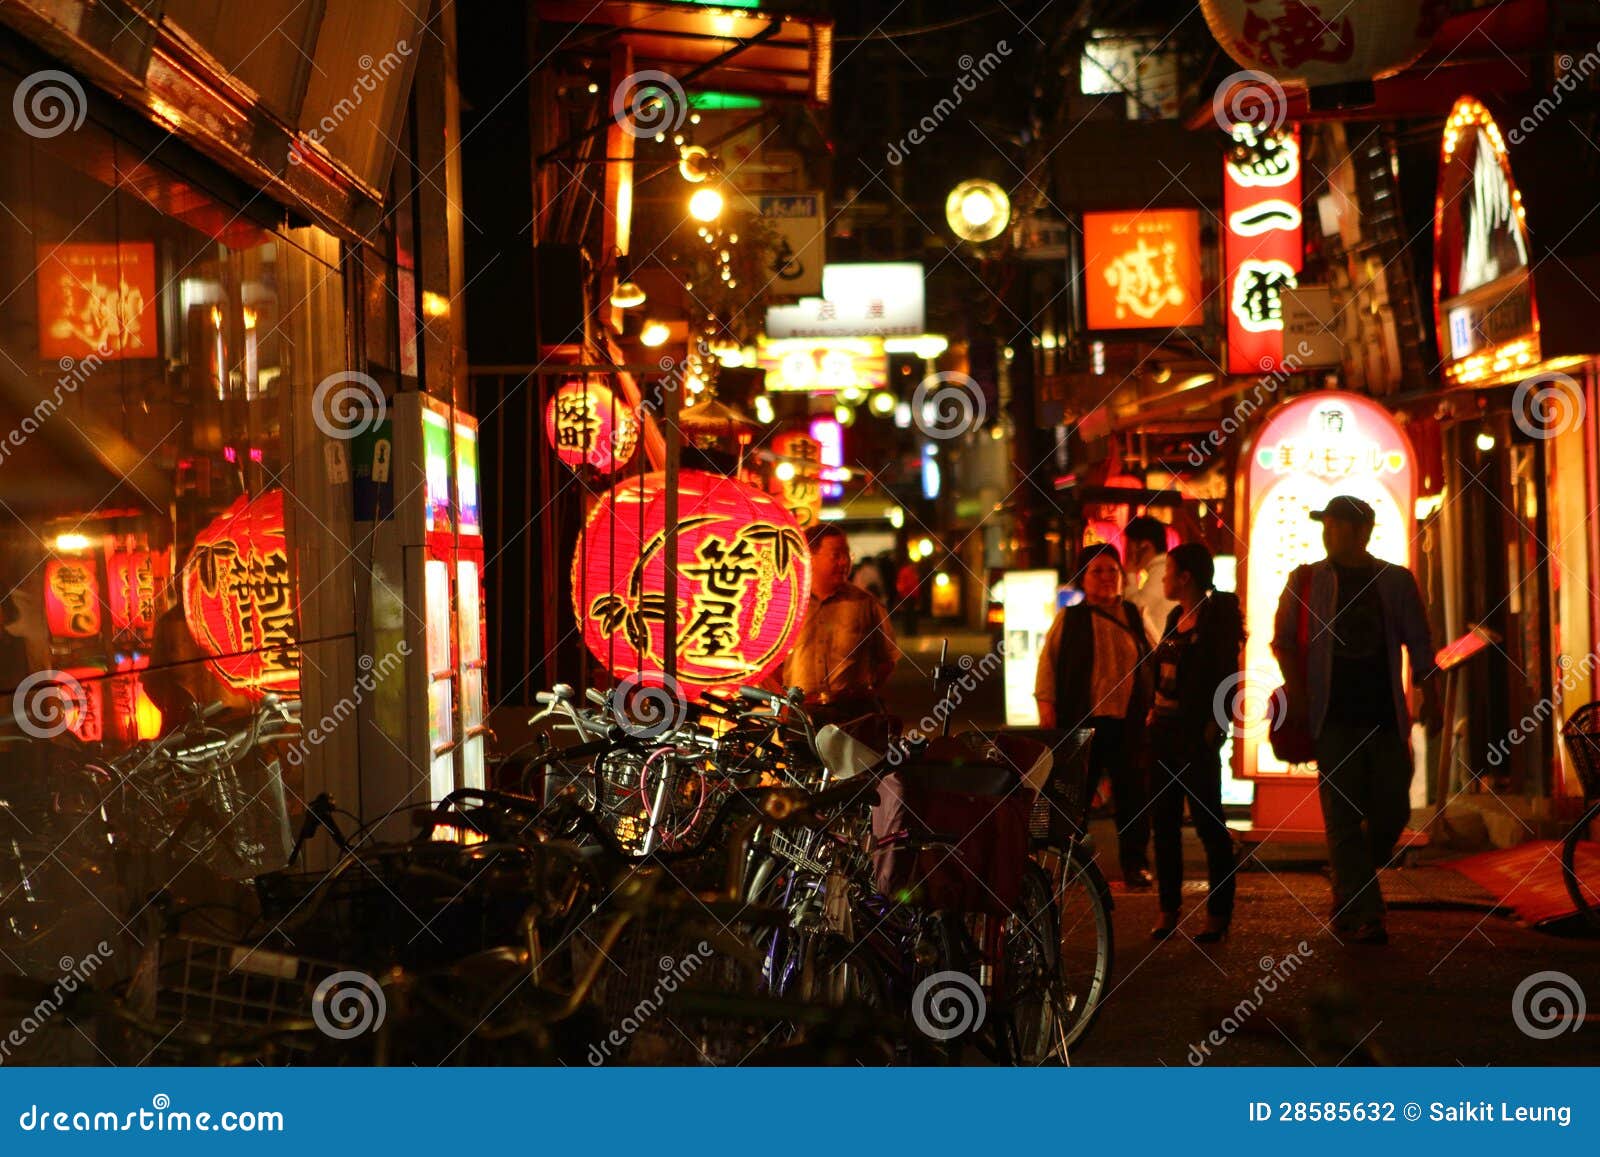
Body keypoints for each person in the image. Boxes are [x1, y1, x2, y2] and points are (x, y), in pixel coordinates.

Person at [1272, 495, 1439, 945]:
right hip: (1332, 716)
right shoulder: (1305, 581)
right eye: (1325, 525)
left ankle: (1350, 886)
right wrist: (1301, 696)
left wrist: (1430, 691)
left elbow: (1419, 642)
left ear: (1362, 531)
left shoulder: (1395, 582)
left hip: (1385, 716)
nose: (1328, 533)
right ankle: (1365, 911)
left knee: (1392, 810)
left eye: (1337, 525)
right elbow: (1283, 641)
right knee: (1342, 817)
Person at [1035, 543, 1156, 888]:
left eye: (1112, 570)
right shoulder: (1070, 619)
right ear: (1083, 579)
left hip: (1128, 723)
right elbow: (1048, 665)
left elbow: (1155, 657)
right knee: (1076, 798)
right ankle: (1074, 864)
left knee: (1132, 797)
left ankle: (1135, 864)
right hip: (1083, 723)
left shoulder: (1135, 614)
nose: (1106, 577)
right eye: (1097, 571)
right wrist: (1047, 707)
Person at [1147, 543, 1244, 944]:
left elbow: (1227, 677)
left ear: (1185, 576)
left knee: (1208, 824)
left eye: (1168, 571)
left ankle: (1218, 913)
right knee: (1163, 824)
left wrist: (1215, 727)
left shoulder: (1214, 619)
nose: (1164, 579)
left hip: (1194, 736)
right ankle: (1168, 909)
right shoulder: (1174, 616)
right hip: (1163, 732)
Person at [781, 525, 900, 725]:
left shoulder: (865, 604)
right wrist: (782, 699)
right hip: (800, 714)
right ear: (811, 556)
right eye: (836, 555)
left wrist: (862, 693)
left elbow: (887, 659)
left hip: (851, 715)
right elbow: (769, 664)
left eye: (847, 554)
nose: (844, 562)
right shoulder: (787, 605)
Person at [1124, 515, 1177, 645]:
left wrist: (1130, 575)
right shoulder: (1162, 569)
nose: (1127, 553)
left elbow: (1137, 608)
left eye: (1129, 546)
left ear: (1144, 546)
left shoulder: (1162, 571)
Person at [894, 557, 920, 635]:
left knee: (911, 615)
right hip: (907, 595)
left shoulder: (911, 572)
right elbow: (905, 584)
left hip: (910, 595)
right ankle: (910, 631)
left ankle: (911, 631)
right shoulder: (906, 572)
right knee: (909, 615)